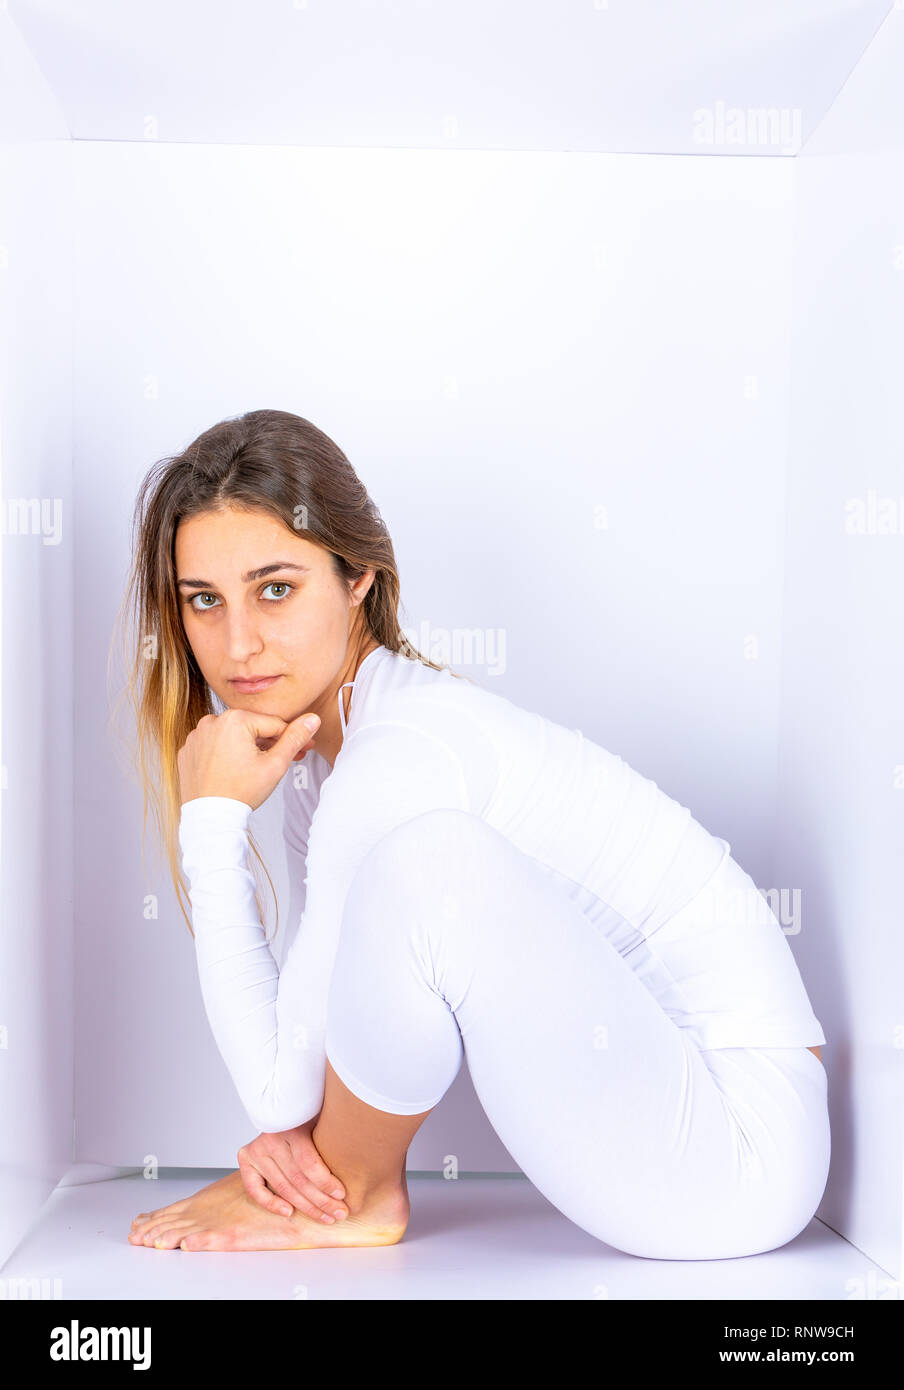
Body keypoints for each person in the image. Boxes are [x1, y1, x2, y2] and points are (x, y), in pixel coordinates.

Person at [118, 408, 829, 1258]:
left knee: (428, 865)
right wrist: (292, 1136)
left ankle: (356, 1195)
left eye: (276, 588)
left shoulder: (398, 753)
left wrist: (212, 821)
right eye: (204, 601)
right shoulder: (331, 758)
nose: (238, 642)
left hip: (738, 1155)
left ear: (360, 582)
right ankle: (345, 1185)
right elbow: (318, 1042)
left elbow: (277, 1089)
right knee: (414, 871)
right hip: (693, 1120)